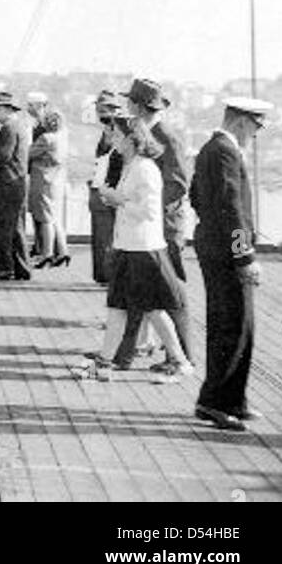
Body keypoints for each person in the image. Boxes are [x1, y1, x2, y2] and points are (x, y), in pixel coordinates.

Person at [75, 117, 192, 383]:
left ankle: (180, 360)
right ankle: (104, 362)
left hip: (144, 249)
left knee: (152, 309)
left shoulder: (145, 168)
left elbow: (150, 211)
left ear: (131, 139)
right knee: (119, 306)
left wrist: (118, 200)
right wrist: (116, 199)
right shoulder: (130, 166)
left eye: (116, 135)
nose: (113, 139)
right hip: (129, 246)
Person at [191, 96, 272, 431]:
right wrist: (245, 255)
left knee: (240, 326)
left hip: (215, 245)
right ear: (241, 122)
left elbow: (196, 196)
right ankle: (214, 402)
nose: (254, 136)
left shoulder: (211, 148)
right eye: (254, 128)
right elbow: (231, 206)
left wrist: (209, 226)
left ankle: (234, 400)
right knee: (232, 327)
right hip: (227, 253)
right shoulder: (225, 150)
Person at [113, 78, 192, 368]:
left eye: (130, 102)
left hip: (163, 229)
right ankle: (127, 352)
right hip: (150, 228)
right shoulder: (150, 132)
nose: (127, 107)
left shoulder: (165, 136)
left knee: (169, 296)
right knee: (144, 292)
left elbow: (178, 184)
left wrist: (148, 211)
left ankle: (181, 357)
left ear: (138, 105)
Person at [0, 91, 32, 280]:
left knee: (2, 228)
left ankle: (3, 268)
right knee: (15, 228)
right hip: (16, 183)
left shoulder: (9, 129)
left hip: (6, 184)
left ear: (6, 109)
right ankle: (22, 267)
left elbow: (3, 157)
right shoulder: (19, 127)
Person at [88, 90, 124, 284]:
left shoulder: (116, 130)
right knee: (103, 238)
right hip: (102, 187)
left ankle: (107, 276)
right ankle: (105, 275)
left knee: (106, 238)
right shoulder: (108, 130)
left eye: (101, 109)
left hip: (107, 190)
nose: (98, 113)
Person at [28, 106, 70, 269]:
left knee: (45, 219)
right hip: (57, 181)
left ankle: (47, 254)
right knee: (55, 218)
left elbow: (28, 153)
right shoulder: (63, 137)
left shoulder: (46, 138)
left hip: (43, 180)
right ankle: (63, 252)